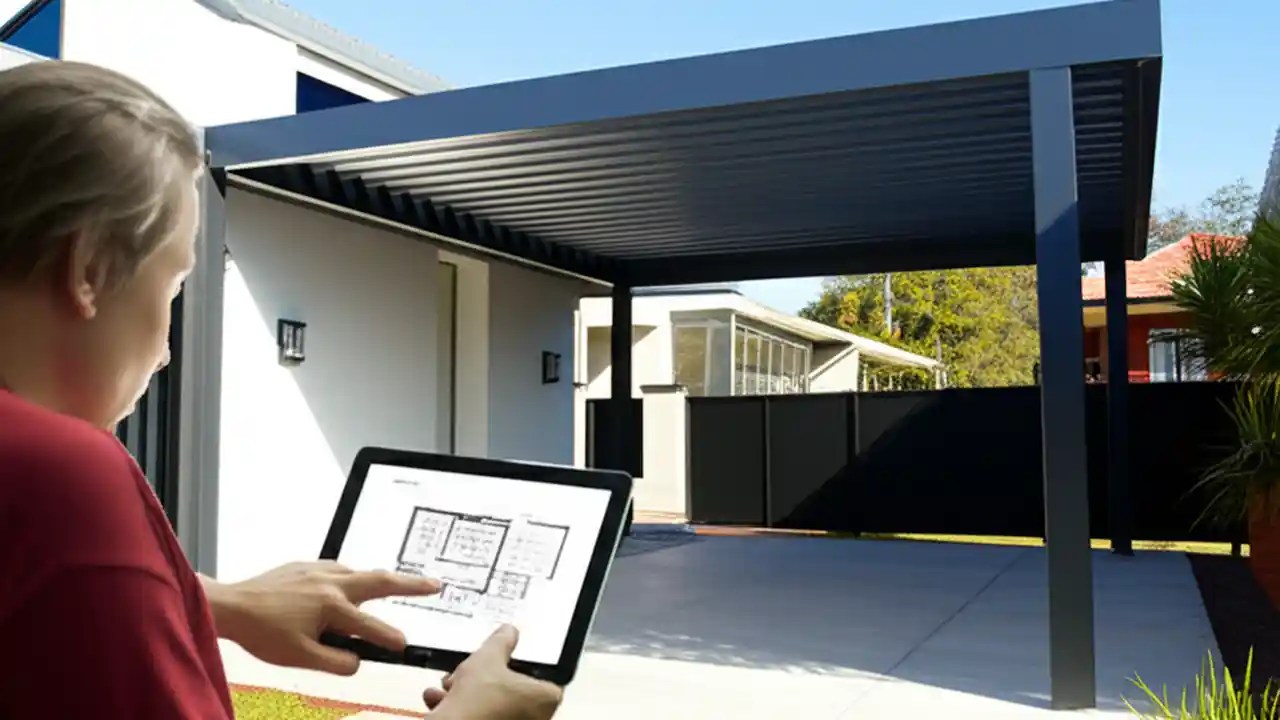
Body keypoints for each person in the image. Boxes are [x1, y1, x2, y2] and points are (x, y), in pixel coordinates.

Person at [0, 60, 562, 719]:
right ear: (89, 267)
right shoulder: (59, 472)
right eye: (172, 288)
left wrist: (216, 602)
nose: (165, 354)